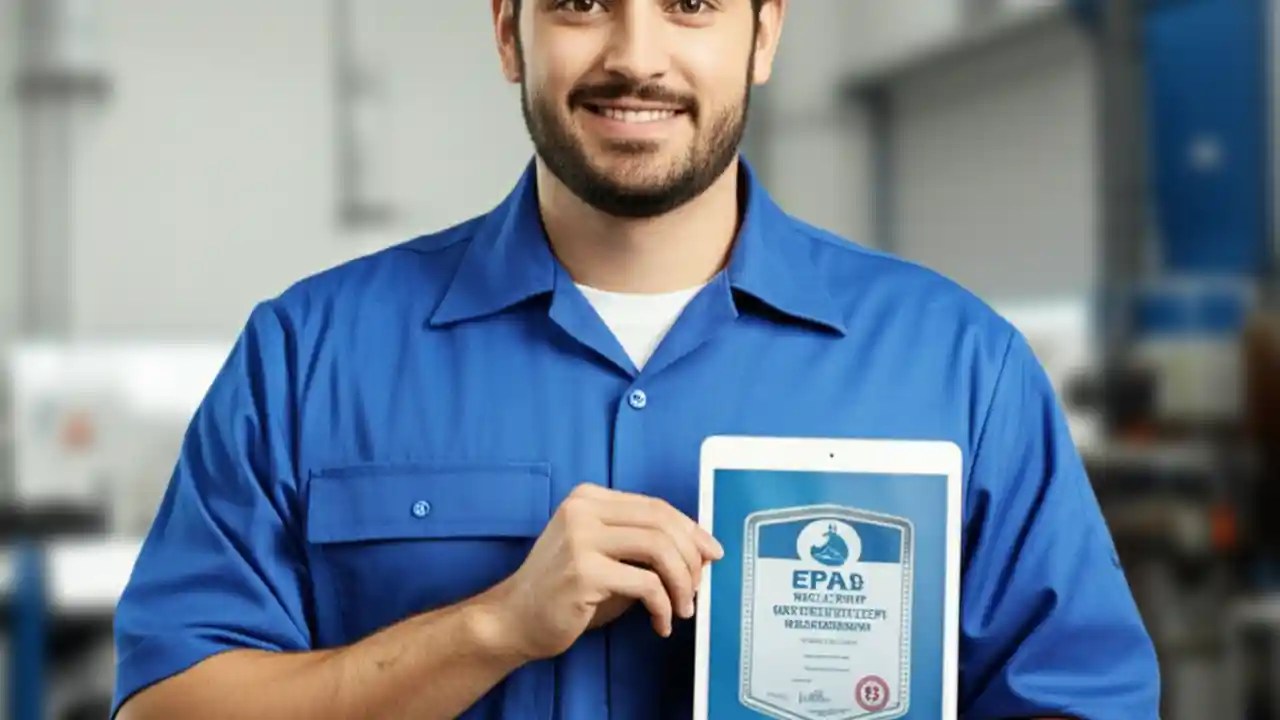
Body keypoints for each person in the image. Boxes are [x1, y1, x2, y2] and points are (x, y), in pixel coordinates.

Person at [112, 0, 1160, 718]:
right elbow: (169, 703)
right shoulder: (308, 358)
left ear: (765, 31)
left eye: (692, 2)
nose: (635, 54)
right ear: (506, 32)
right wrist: (487, 630)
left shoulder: (956, 368)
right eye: (578, 0)